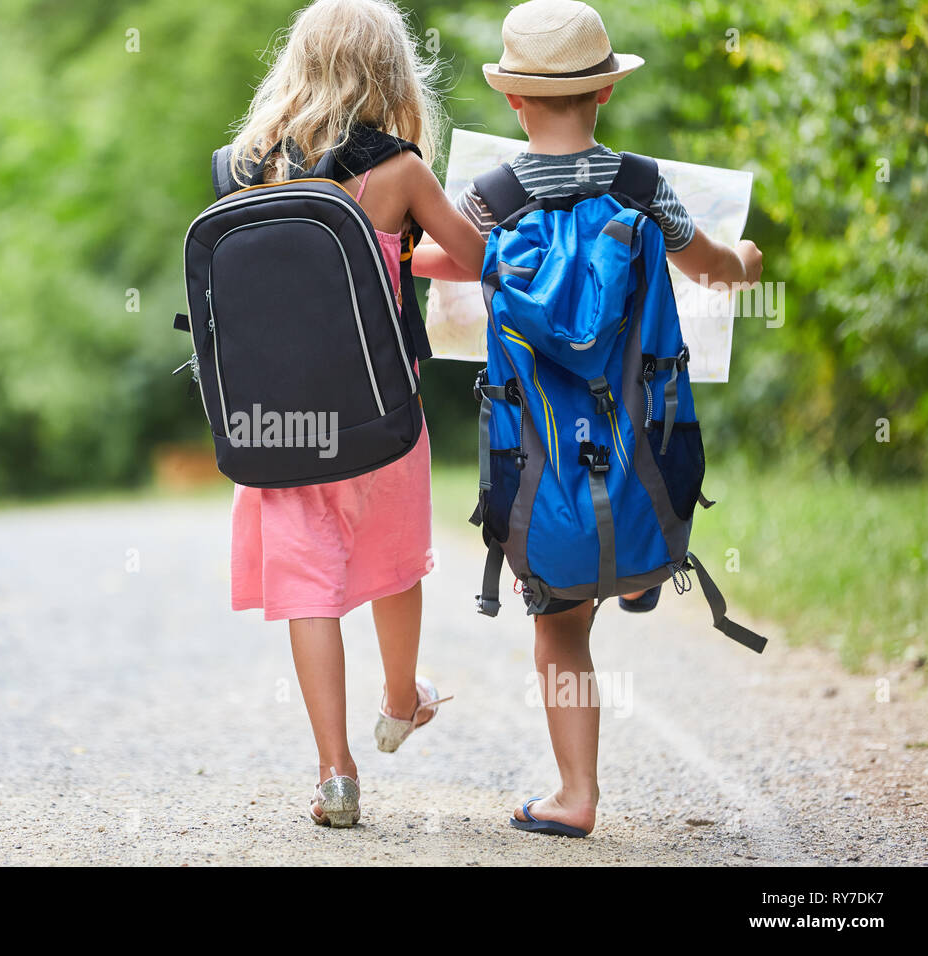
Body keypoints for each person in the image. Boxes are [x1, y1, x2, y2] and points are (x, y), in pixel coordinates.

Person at [414, 0, 763, 837]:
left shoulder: (492, 201)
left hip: (540, 471)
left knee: (561, 631)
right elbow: (715, 269)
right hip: (643, 455)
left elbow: (434, 258)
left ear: (514, 102)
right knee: (629, 539)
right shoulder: (643, 190)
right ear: (604, 94)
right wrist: (744, 261)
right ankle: (635, 568)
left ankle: (576, 796)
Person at [225, 0, 485, 827]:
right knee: (391, 558)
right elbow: (472, 259)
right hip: (379, 410)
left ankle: (336, 773)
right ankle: (402, 700)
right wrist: (418, 235)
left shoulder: (245, 165)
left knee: (309, 582)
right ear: (391, 74)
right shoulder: (398, 169)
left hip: (278, 423)